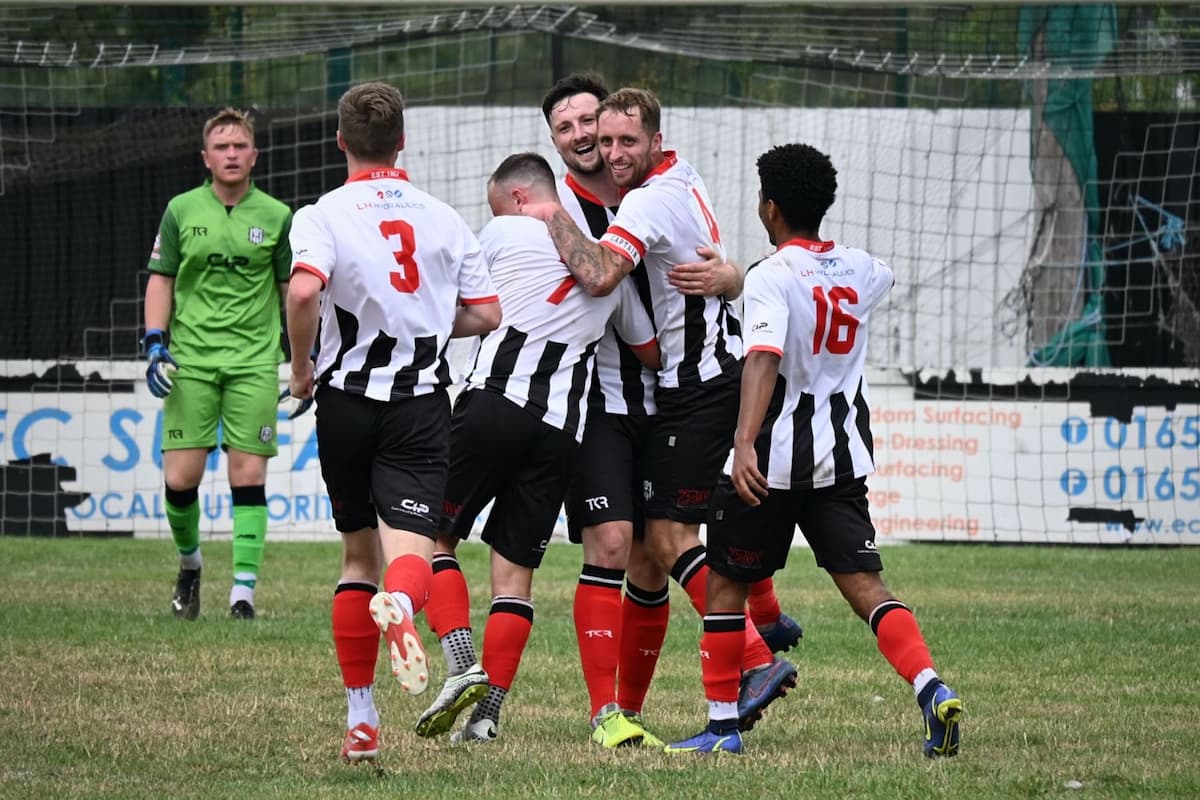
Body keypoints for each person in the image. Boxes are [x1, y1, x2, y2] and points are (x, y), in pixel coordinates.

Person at [664, 143, 963, 756]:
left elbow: (764, 358)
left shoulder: (770, 277)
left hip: (771, 463)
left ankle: (722, 728)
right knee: (867, 588)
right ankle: (931, 688)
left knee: (724, 585)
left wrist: (742, 442)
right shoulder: (860, 267)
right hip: (841, 460)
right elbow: (882, 277)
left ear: (769, 208)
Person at [522, 86, 799, 738]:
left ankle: (754, 659)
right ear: (557, 139)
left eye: (618, 136)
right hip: (641, 392)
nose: (604, 146)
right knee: (640, 551)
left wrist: (546, 215)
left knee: (669, 542)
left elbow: (598, 275)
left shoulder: (645, 197)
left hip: (686, 388)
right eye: (580, 130)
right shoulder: (674, 177)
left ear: (654, 141)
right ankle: (629, 714)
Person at [284, 81, 501, 765]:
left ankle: (361, 716)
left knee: (356, 556)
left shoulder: (322, 213)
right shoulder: (442, 217)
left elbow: (303, 290)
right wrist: (432, 326)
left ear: (340, 141)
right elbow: (488, 314)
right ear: (402, 140)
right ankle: (403, 609)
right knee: (409, 555)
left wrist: (300, 368)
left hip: (346, 402)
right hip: (420, 406)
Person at [414, 152, 660, 745]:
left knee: (430, 538)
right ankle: (487, 715)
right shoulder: (609, 267)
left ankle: (461, 662)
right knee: (514, 574)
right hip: (562, 430)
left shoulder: (504, 231)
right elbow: (648, 351)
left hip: (495, 400)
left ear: (520, 198)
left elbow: (463, 305)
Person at [143, 107, 292, 622]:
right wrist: (154, 340)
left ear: (254, 155)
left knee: (248, 474)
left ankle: (243, 595)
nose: (232, 154)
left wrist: (301, 356)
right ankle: (190, 566)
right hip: (191, 361)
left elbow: (288, 289)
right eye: (222, 147)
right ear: (205, 157)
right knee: (181, 479)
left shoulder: (277, 215)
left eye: (240, 146)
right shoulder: (181, 209)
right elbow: (161, 277)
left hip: (254, 360)